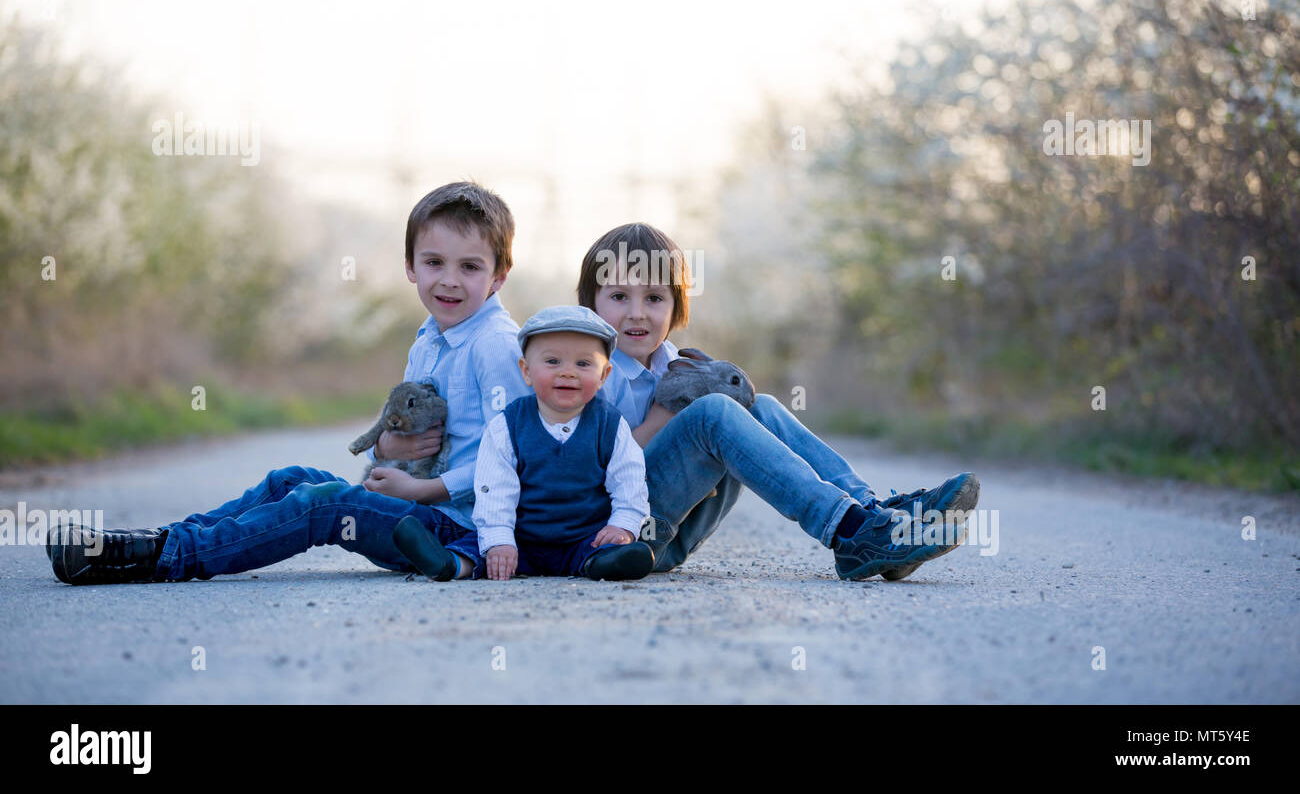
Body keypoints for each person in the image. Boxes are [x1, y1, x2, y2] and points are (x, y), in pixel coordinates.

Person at [46, 181, 532, 584]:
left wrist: (423, 491)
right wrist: (389, 447)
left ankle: (166, 558)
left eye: (469, 267)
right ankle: (156, 540)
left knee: (321, 506)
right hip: (414, 501)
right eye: (433, 263)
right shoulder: (429, 338)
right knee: (291, 480)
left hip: (454, 529)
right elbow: (406, 429)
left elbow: (511, 456)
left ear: (498, 276)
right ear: (409, 266)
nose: (448, 280)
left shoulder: (494, 344)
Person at [576, 222, 981, 582]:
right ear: (591, 303)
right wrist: (667, 414)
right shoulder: (590, 371)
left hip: (678, 524)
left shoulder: (675, 364)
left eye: (654, 298)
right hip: (625, 536)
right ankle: (847, 531)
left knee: (760, 406)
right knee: (712, 412)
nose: (637, 314)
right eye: (618, 296)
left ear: (677, 304)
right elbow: (594, 475)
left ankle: (873, 515)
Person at [395, 306, 654, 582]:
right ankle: (449, 564)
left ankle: (609, 563)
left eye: (583, 364)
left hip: (584, 538)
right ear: (526, 371)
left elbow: (630, 480)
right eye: (553, 362)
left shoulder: (610, 425)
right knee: (479, 546)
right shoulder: (509, 424)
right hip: (519, 542)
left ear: (604, 375)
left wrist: (623, 525)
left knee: (605, 547)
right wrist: (499, 539)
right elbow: (495, 487)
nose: (568, 373)